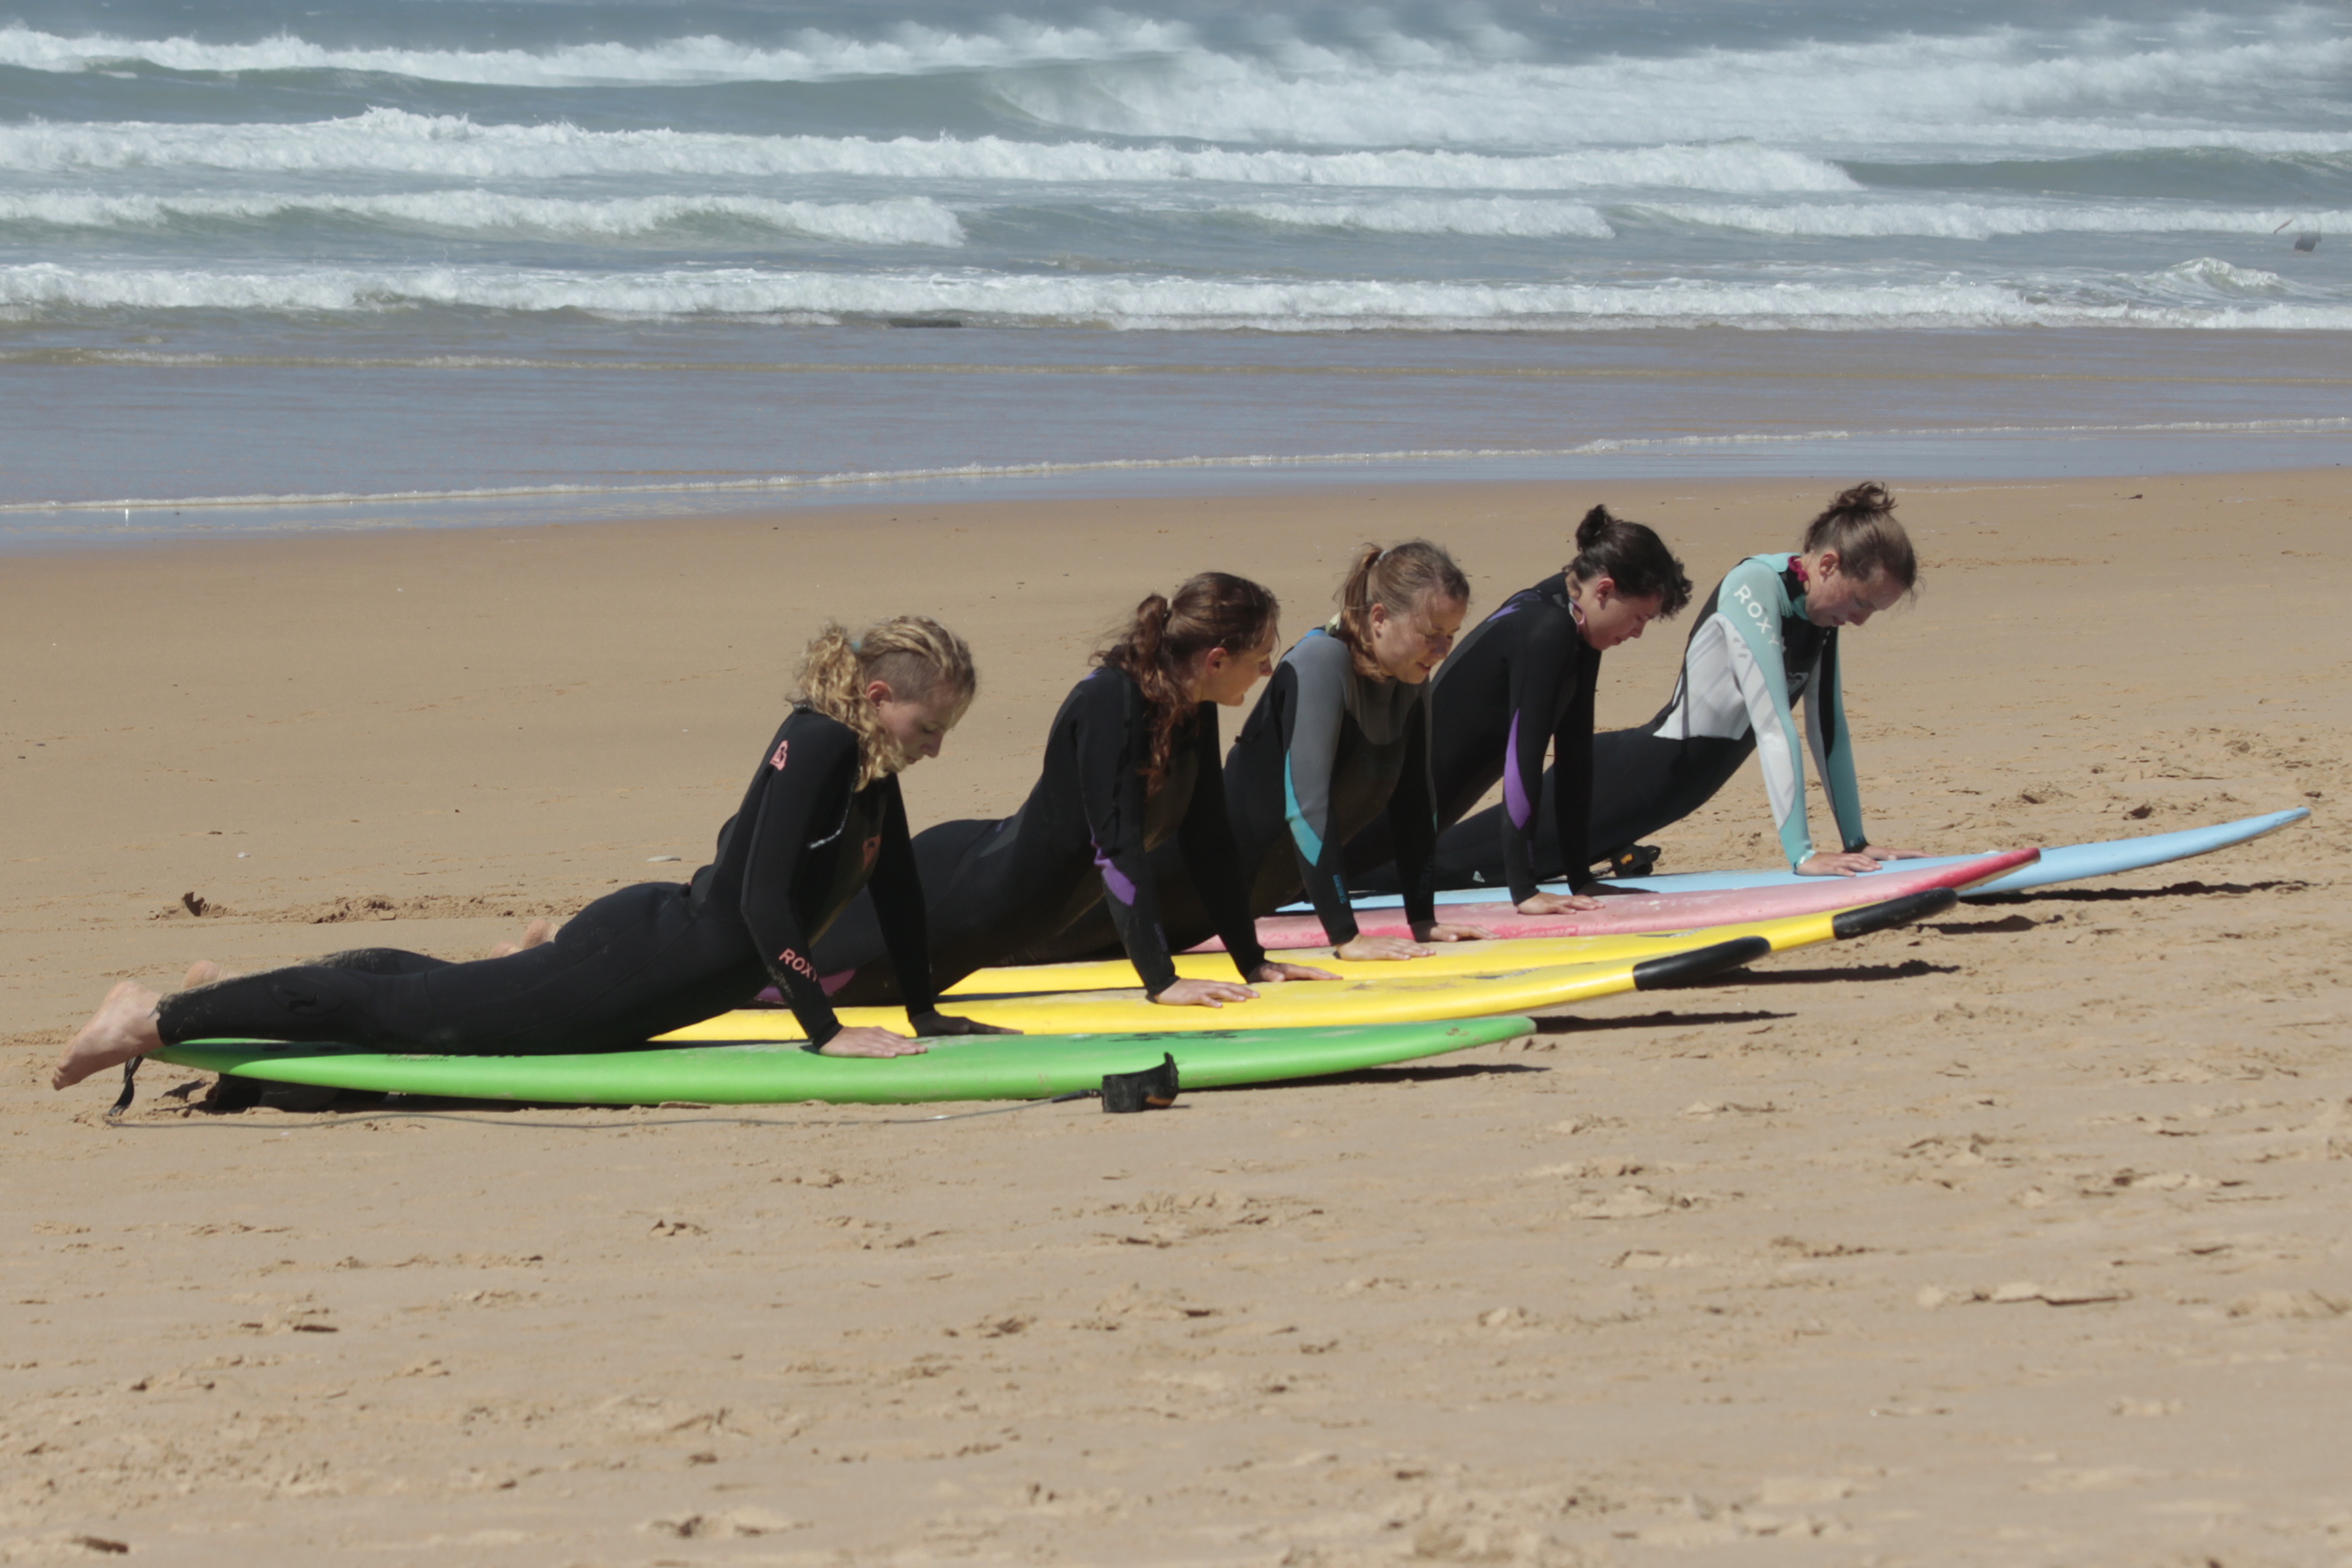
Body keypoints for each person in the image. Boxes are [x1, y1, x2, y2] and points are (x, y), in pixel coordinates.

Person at [51, 617, 1006, 1093]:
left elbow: (907, 892)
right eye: (932, 722)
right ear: (880, 696)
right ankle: (152, 1016)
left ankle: (230, 989)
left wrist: (927, 1007)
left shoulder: (869, 767)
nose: (938, 745)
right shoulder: (827, 740)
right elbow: (764, 903)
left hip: (650, 952)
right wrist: (824, 1030)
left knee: (436, 996)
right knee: (413, 1019)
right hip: (640, 966)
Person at [811, 574, 1335, 1007]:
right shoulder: (1110, 702)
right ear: (1216, 660)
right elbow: (1117, 850)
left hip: (994, 923)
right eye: (1261, 657)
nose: (1268, 670)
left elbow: (1209, 842)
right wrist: (1162, 981)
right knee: (767, 977)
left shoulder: (1193, 706)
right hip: (953, 898)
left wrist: (1253, 962)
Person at [1420, 482, 1926, 890]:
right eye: (1860, 603)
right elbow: (1774, 725)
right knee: (1429, 868)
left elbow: (1827, 727)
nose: (1858, 620)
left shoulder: (1821, 616)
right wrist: (1803, 855)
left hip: (1662, 797)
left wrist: (1856, 843)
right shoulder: (1756, 586)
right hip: (1633, 778)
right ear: (1829, 565)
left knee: (1473, 870)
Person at [1032, 539, 1489, 967]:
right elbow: (1308, 810)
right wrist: (1345, 937)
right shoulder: (1322, 663)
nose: (1443, 650)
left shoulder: (1411, 675)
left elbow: (1414, 801)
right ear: (1379, 618)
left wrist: (1423, 919)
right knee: (1029, 951)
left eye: (1451, 635)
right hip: (1176, 881)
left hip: (1223, 909)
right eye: (1432, 633)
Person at [1349, 505, 1691, 910]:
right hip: (1385, 811)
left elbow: (1575, 758)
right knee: (1309, 879)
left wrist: (1581, 879)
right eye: (1639, 617)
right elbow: (1522, 763)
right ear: (1604, 590)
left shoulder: (1577, 622)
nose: (1638, 632)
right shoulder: (1549, 630)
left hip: (1423, 811)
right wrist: (1524, 890)